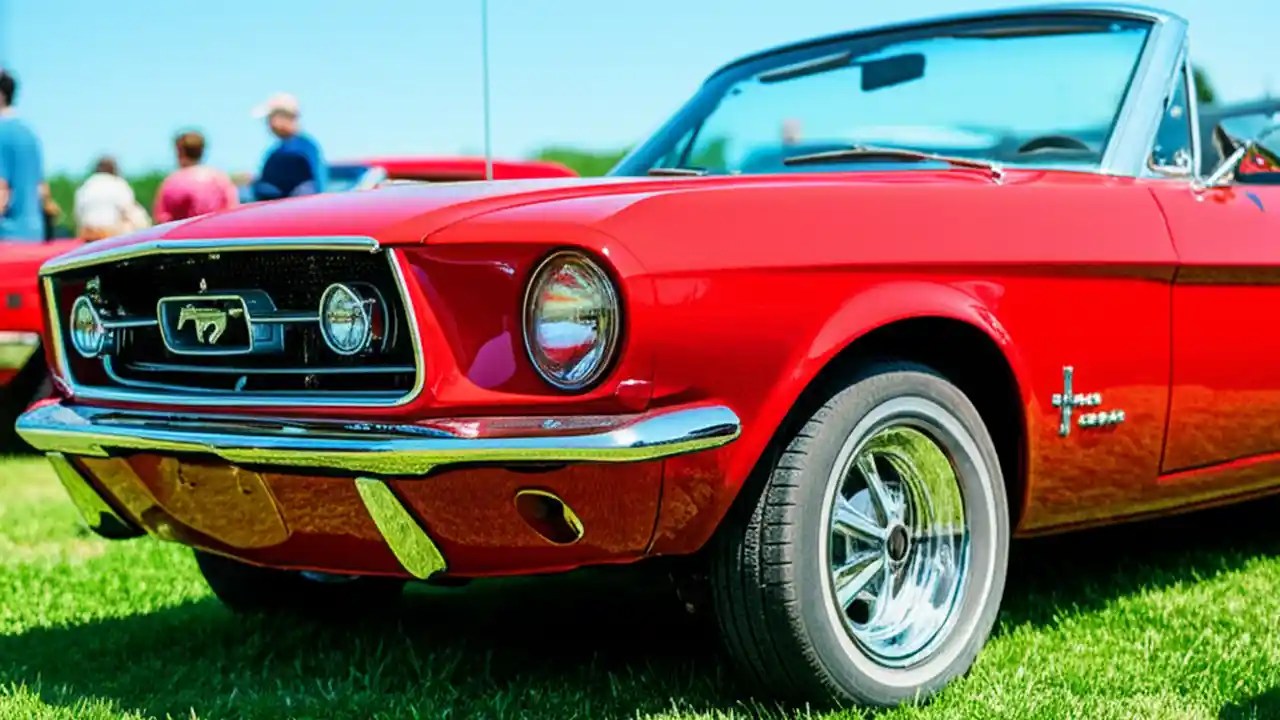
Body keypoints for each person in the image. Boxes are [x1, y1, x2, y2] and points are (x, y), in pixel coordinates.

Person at [249, 93, 326, 201]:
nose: (268, 125)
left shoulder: (298, 151)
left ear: (284, 117)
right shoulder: (276, 152)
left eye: (270, 119)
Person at [0, 68, 48, 241]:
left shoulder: (2, 132)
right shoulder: (30, 133)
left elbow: (1, 190)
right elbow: (42, 190)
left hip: (6, 237)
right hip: (34, 235)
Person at [154, 130, 239, 223]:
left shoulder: (171, 182)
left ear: (180, 151)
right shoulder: (221, 179)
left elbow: (162, 219)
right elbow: (232, 210)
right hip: (217, 230)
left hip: (185, 232)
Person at [74, 156, 150, 241]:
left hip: (87, 233)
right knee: (137, 214)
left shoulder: (85, 186)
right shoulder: (119, 184)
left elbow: (78, 215)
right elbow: (128, 211)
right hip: (110, 233)